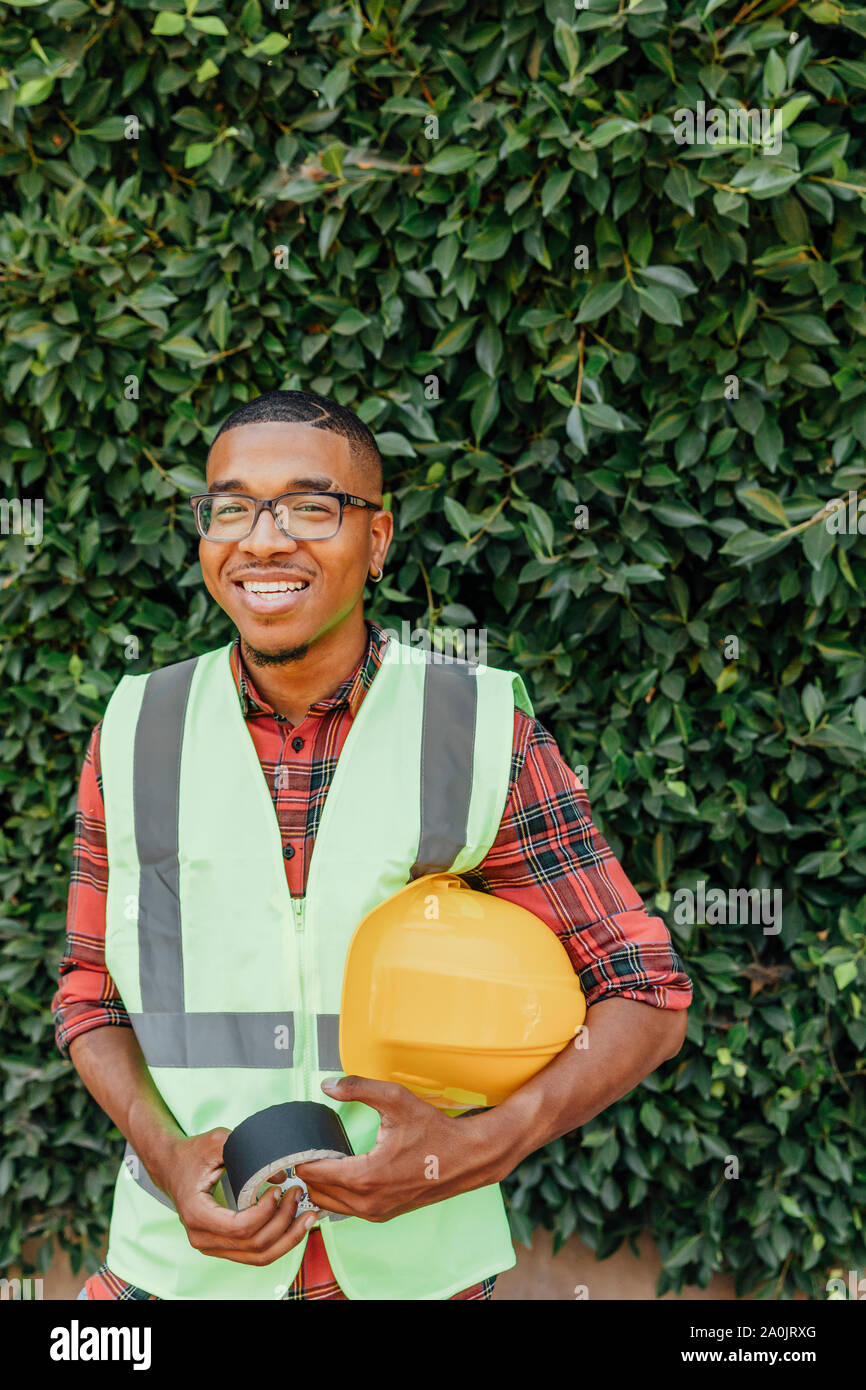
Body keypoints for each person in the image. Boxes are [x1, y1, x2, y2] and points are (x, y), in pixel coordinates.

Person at [53, 389, 692, 1301]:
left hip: (420, 1277)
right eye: (230, 507)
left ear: (379, 540)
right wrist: (165, 1151)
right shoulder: (134, 728)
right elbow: (89, 994)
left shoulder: (472, 724)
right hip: (174, 1273)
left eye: (311, 507)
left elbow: (646, 992)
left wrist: (474, 1150)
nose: (263, 541)